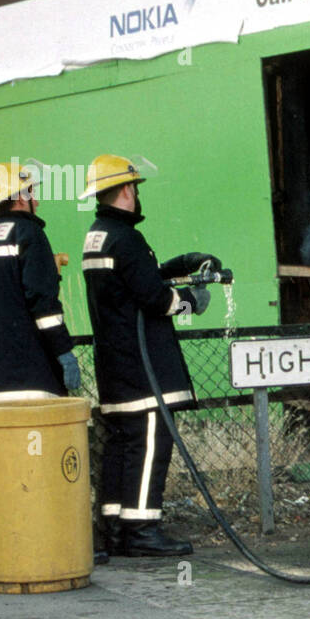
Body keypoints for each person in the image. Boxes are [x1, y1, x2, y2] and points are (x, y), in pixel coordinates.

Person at [79, 153, 220, 558]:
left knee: (122, 445)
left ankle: (116, 529)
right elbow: (153, 297)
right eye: (135, 188)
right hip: (144, 370)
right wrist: (189, 300)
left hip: (115, 364)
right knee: (151, 444)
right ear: (125, 190)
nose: (137, 195)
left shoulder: (98, 234)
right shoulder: (126, 238)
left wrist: (183, 264)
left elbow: (134, 280)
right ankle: (142, 529)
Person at [0, 160, 80, 409]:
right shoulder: (29, 233)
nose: (37, 201)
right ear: (21, 197)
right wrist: (64, 352)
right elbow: (44, 305)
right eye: (32, 192)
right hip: (28, 381)